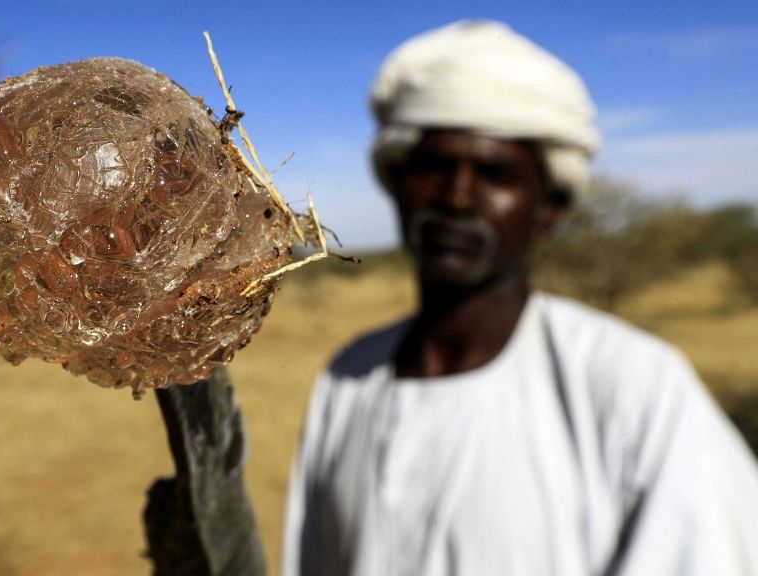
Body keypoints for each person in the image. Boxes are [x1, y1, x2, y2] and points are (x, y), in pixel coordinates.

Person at [282, 20, 758, 576]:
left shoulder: (635, 389)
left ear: (548, 207)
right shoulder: (349, 377)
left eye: (496, 173)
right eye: (433, 166)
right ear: (397, 181)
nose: (458, 196)